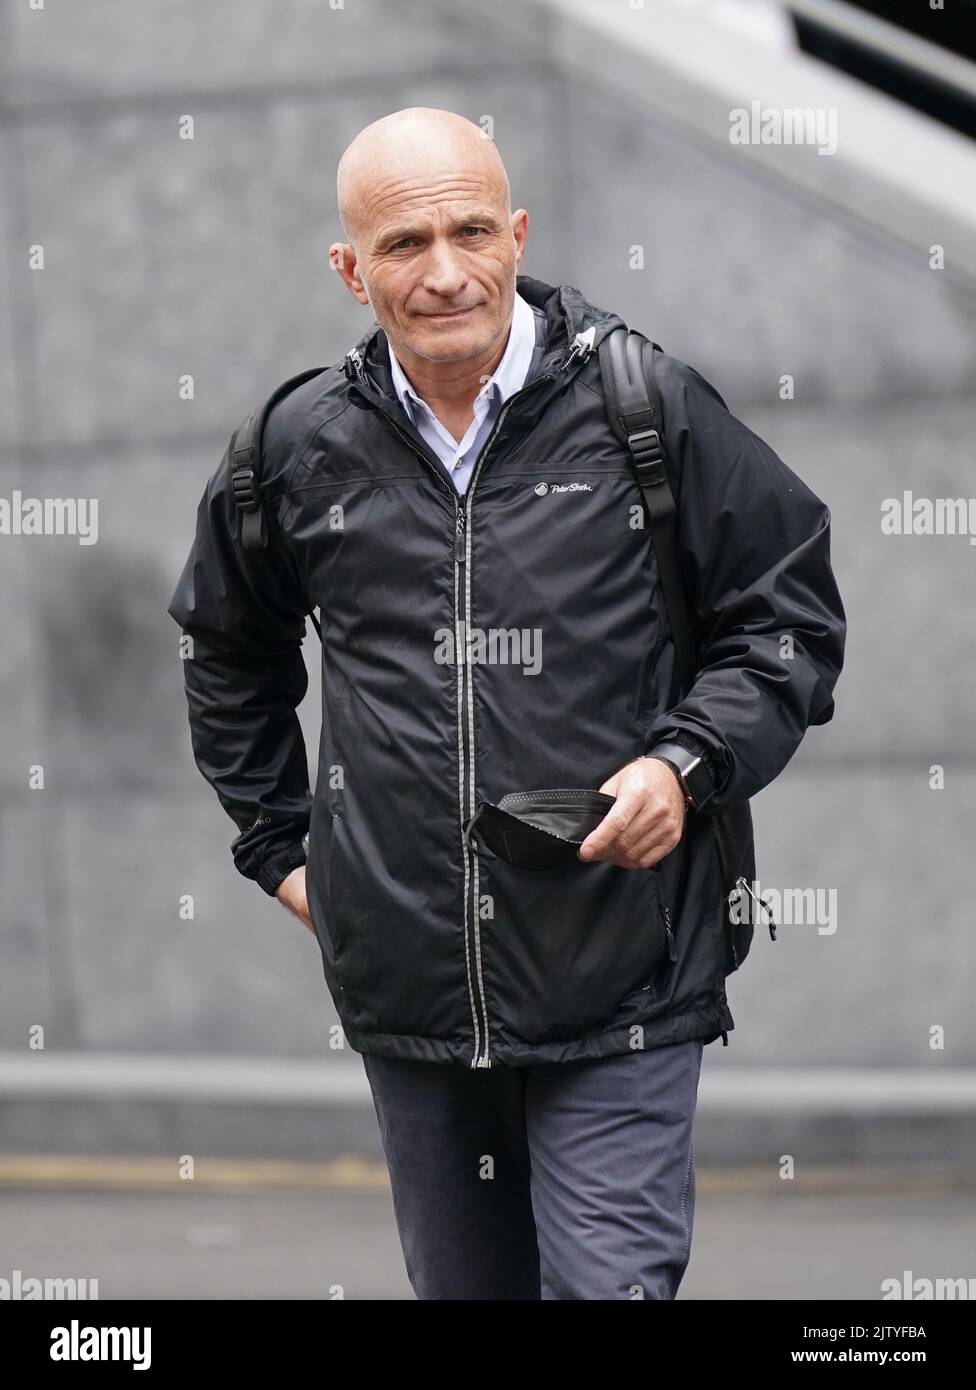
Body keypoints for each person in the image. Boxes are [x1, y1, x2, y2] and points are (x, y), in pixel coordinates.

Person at [168, 107, 846, 1300]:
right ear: (349, 268)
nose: (444, 273)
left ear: (517, 233)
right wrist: (282, 846)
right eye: (402, 243)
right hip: (413, 997)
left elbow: (784, 619)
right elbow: (229, 650)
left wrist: (683, 764)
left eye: (471, 230)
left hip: (620, 973)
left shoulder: (648, 408)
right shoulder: (293, 449)